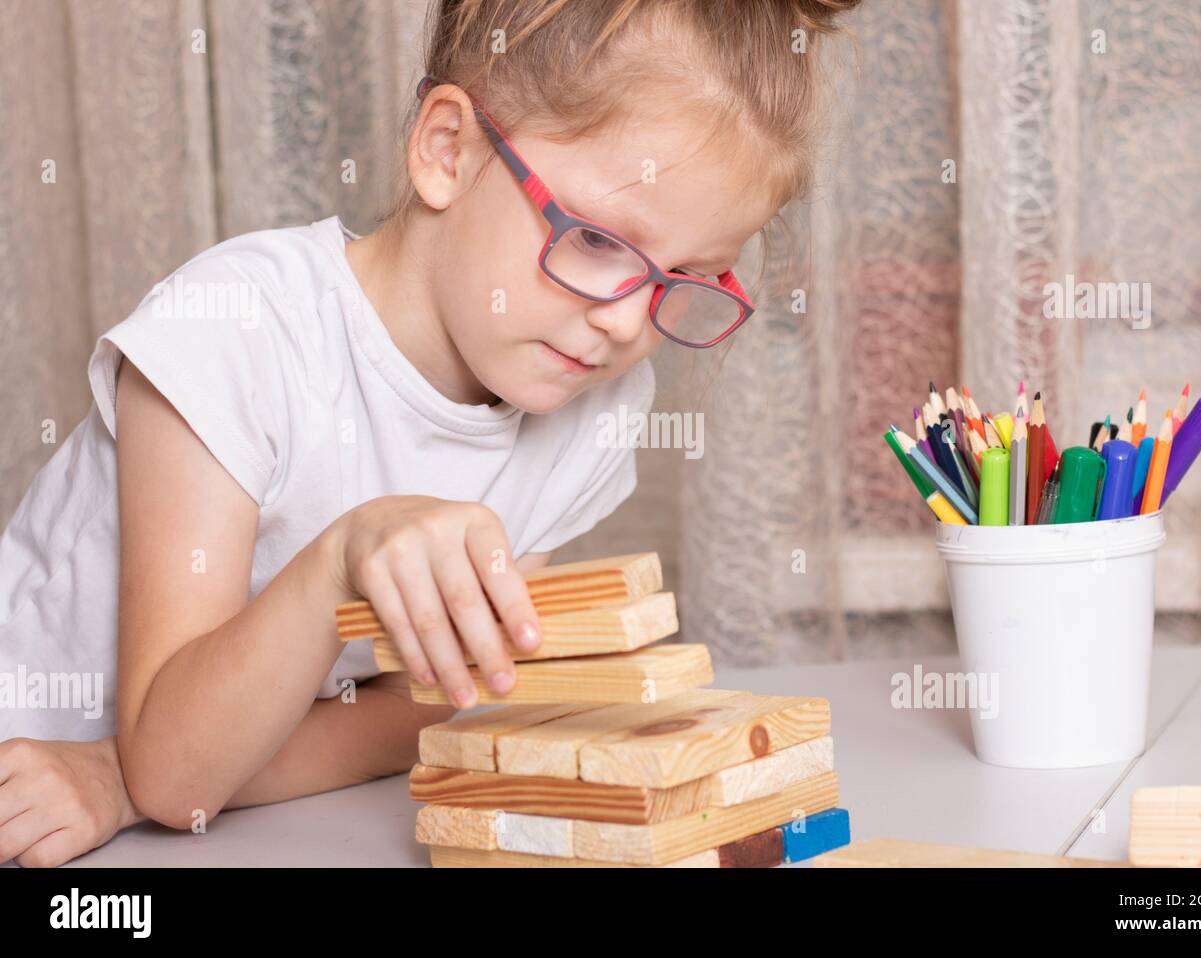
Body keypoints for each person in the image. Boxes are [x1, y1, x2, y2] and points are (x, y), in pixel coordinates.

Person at [0, 0, 862, 866]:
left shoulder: (591, 408)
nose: (627, 325)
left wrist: (120, 777)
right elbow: (177, 769)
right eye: (599, 240)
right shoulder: (235, 332)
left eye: (689, 276)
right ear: (446, 148)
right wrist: (340, 559)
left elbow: (434, 707)